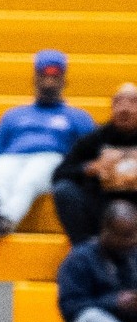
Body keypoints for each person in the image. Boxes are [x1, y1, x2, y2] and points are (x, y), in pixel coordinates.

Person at [0, 50, 95, 248]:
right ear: (35, 79)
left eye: (54, 77)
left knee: (29, 180)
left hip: (50, 158)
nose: (48, 83)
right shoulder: (13, 115)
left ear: (64, 81)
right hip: (12, 158)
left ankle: (2, 219)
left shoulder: (78, 117)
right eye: (44, 76)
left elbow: (90, 152)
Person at [56, 199, 137, 322]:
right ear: (106, 231)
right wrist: (115, 302)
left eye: (134, 234)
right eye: (125, 235)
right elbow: (69, 309)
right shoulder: (79, 259)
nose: (132, 240)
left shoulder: (134, 255)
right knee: (90, 318)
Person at [53, 83, 137, 244]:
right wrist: (91, 168)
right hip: (101, 211)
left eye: (133, 102)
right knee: (64, 190)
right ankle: (85, 248)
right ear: (112, 107)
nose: (125, 108)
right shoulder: (96, 137)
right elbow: (60, 173)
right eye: (119, 102)